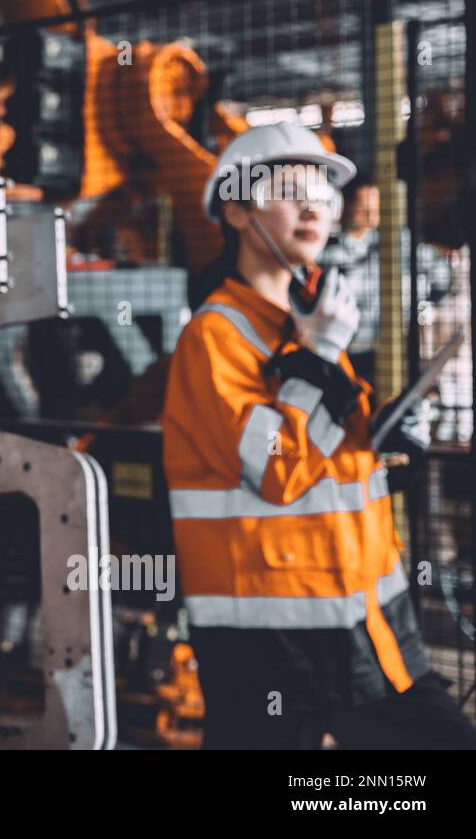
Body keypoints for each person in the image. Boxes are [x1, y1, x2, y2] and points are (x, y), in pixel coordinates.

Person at [162, 122, 475, 749]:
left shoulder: (299, 320)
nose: (313, 206)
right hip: (272, 640)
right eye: (288, 189)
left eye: (321, 194)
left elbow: (325, 454)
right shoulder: (216, 337)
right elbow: (274, 467)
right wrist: (322, 351)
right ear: (236, 209)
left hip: (365, 615)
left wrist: (384, 432)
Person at [319, 176, 452, 387]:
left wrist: (416, 302)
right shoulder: (326, 248)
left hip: (388, 351)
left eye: (375, 209)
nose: (371, 216)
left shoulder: (396, 241)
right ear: (348, 207)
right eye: (364, 209)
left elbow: (441, 274)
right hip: (341, 349)